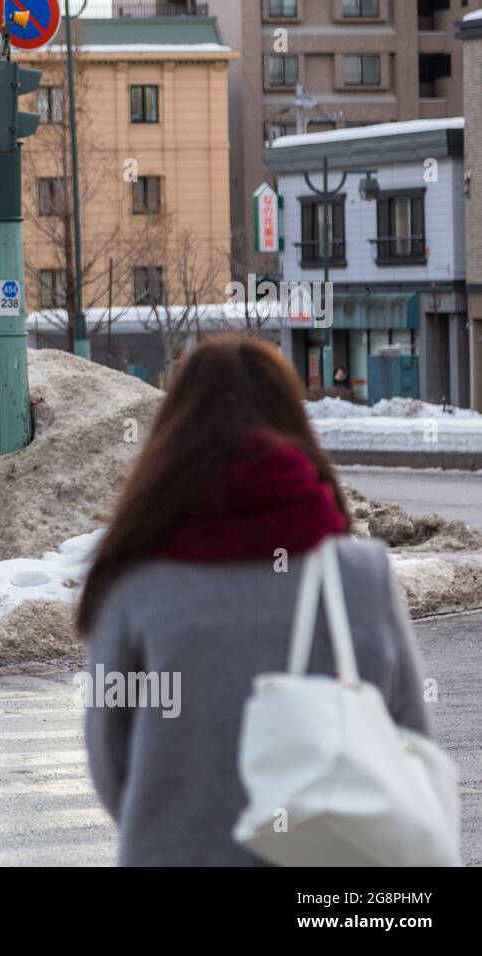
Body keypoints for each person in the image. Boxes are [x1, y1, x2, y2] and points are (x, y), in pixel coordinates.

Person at [78, 335, 431, 866]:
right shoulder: (359, 578)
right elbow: (411, 741)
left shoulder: (134, 583)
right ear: (296, 429)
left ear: (173, 438)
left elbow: (110, 765)